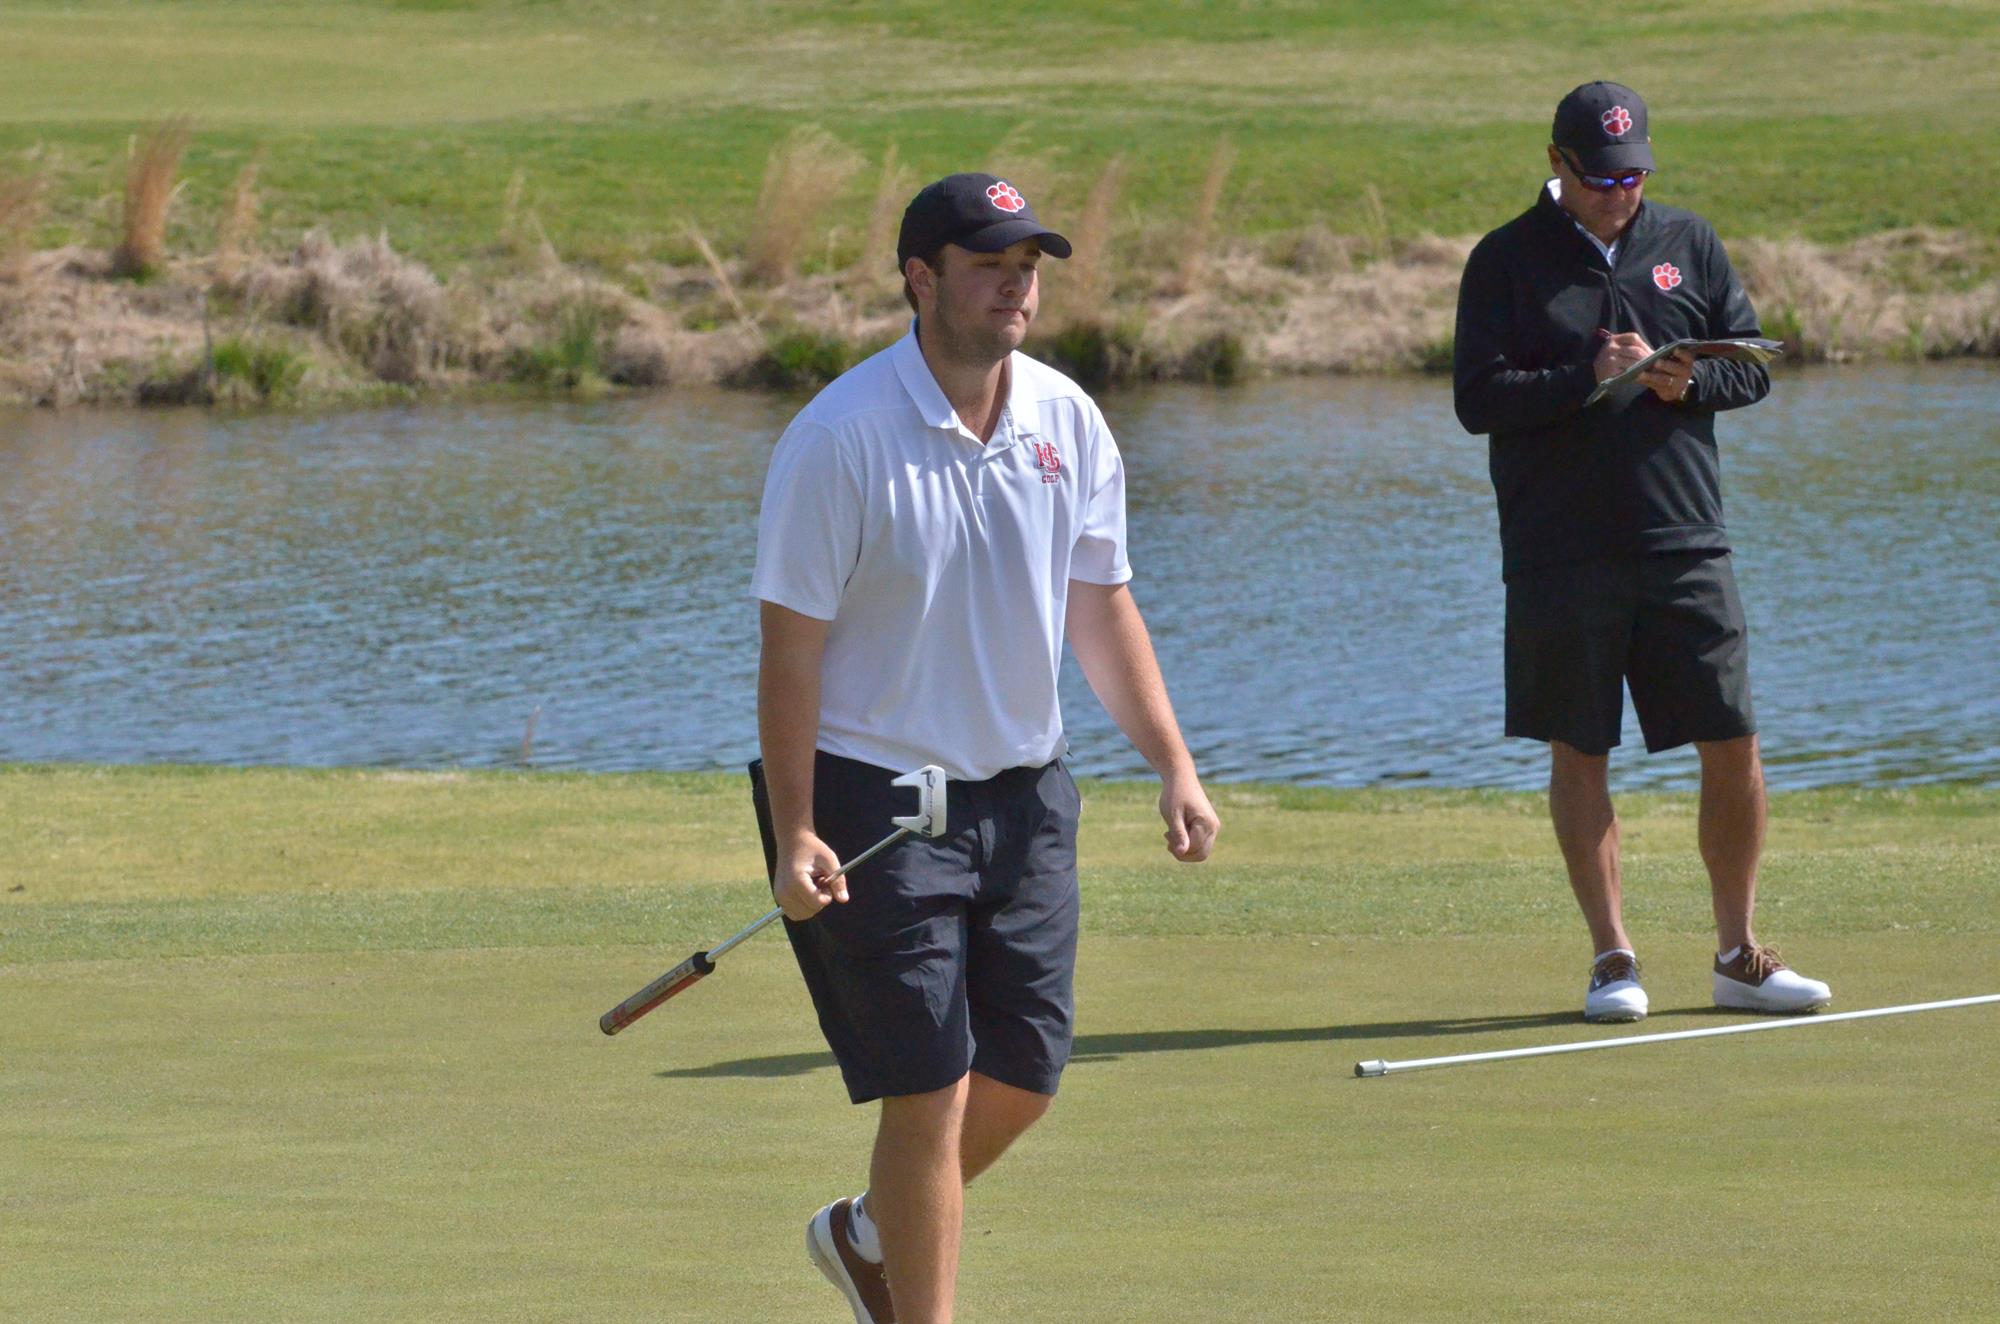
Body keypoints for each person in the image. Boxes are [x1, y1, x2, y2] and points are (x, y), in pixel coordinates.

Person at [752, 172, 1220, 1324]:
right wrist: (798, 826)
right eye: (988, 263)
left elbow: (1099, 608)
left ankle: (871, 1238)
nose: (1017, 283)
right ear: (920, 279)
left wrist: (1172, 762)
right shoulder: (838, 437)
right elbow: (789, 649)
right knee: (924, 1090)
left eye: (1029, 264)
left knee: (1020, 1078)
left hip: (1026, 794)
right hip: (876, 805)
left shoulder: (1066, 416)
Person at [1451, 82, 1831, 1024]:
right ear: (1558, 165)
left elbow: (1750, 370)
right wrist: (1589, 376)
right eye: (1602, 176)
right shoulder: (1504, 260)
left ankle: (1738, 954)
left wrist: (1684, 381)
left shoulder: (1690, 243)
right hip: (1559, 549)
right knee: (1581, 747)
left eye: (1635, 174)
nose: (1622, 191)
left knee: (1733, 739)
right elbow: (1478, 399)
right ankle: (1613, 958)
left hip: (1684, 537)